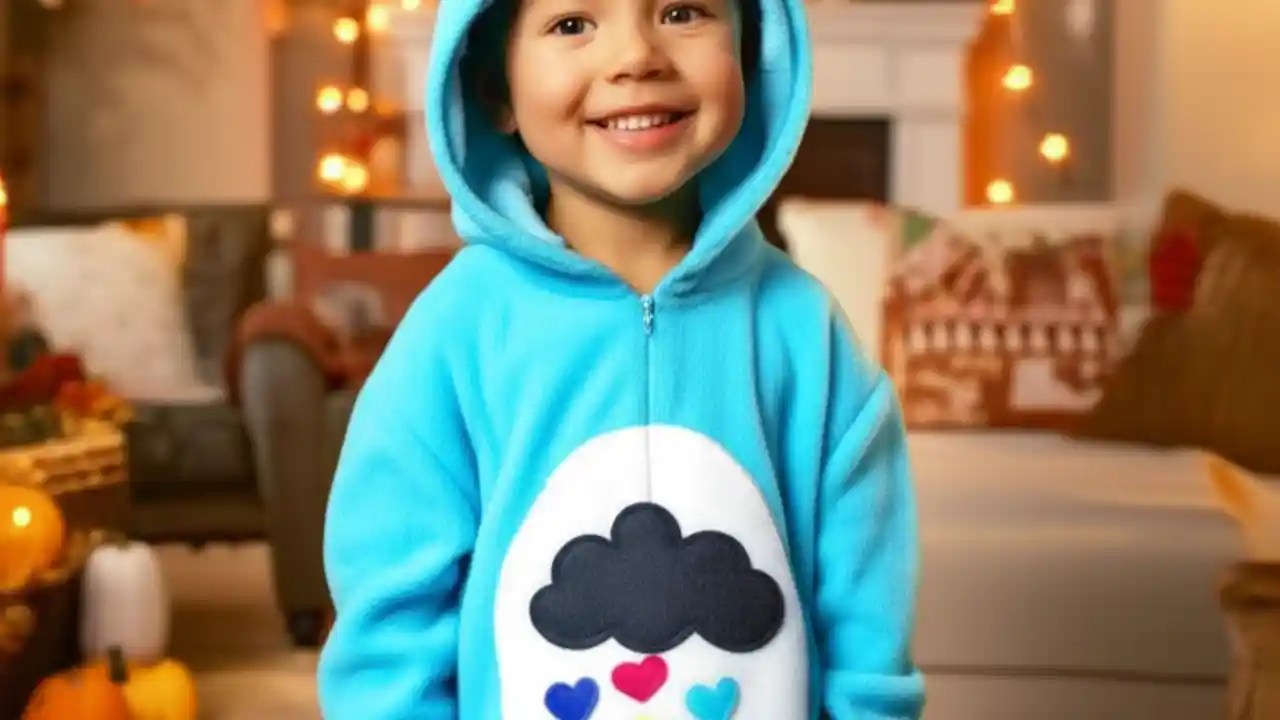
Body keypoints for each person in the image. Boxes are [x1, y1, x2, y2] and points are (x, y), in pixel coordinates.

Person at [317, 0, 924, 715]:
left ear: (748, 52)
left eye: (682, 11)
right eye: (572, 24)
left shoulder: (806, 331)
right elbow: (390, 625)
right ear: (494, 88)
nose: (637, 56)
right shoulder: (453, 333)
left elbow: (867, 622)